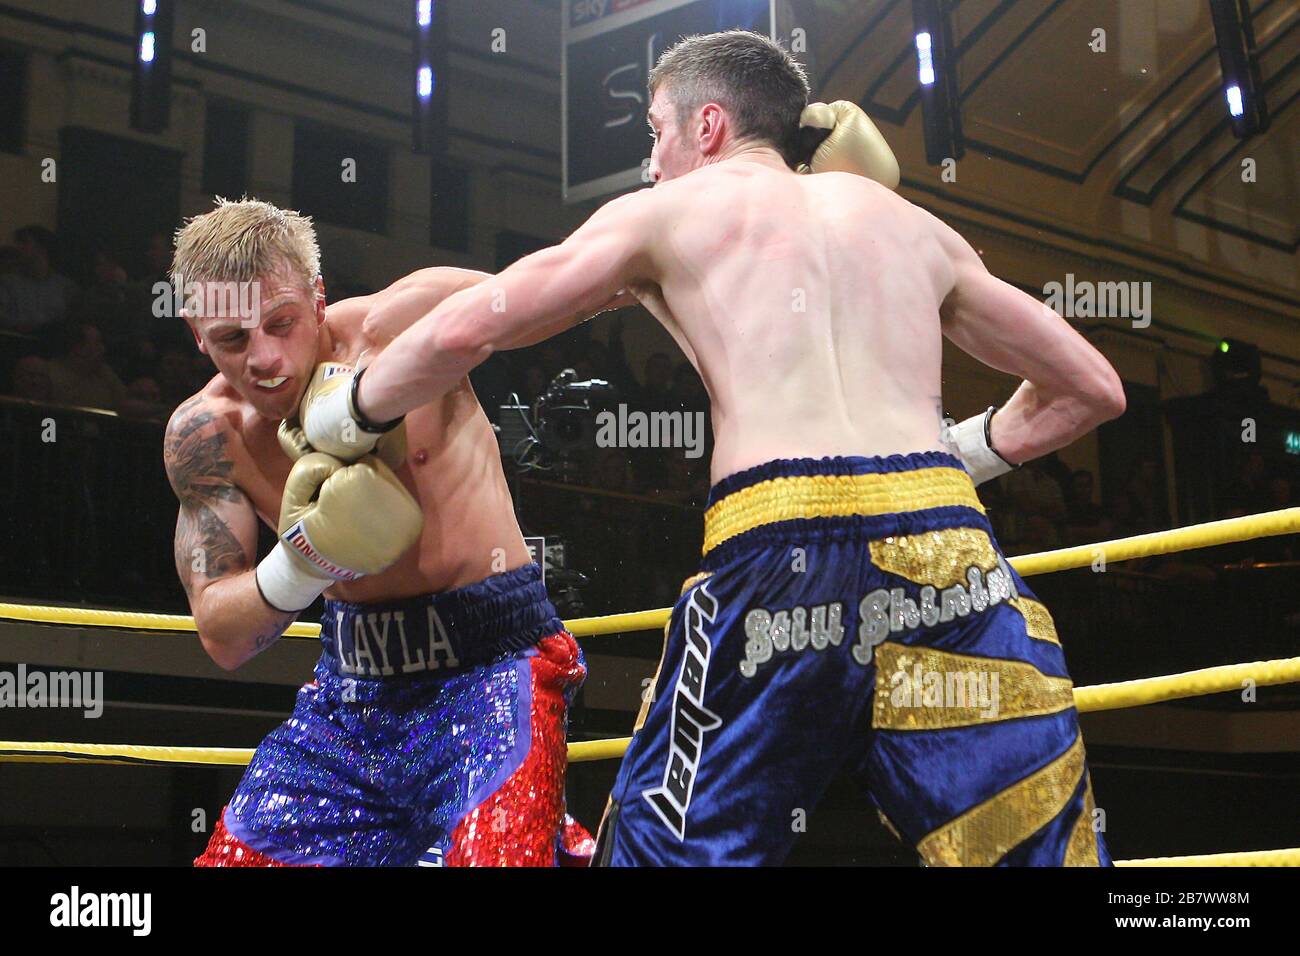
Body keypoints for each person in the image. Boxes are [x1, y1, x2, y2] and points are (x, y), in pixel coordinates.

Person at [297, 31, 1126, 866]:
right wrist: (961, 452)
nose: (650, 162)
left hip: (779, 551)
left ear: (708, 126)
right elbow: (1092, 388)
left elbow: (478, 321)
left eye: (655, 131)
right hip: (950, 555)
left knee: (666, 856)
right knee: (1033, 849)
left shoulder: (663, 214)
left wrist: (350, 414)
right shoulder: (916, 227)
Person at [166, 198, 595, 867]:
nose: (265, 358)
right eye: (232, 339)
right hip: (351, 694)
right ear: (197, 334)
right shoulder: (206, 434)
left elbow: (579, 280)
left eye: (281, 323)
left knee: (498, 856)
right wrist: (305, 563)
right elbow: (221, 634)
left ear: (316, 298)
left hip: (491, 665)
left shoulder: (404, 324)